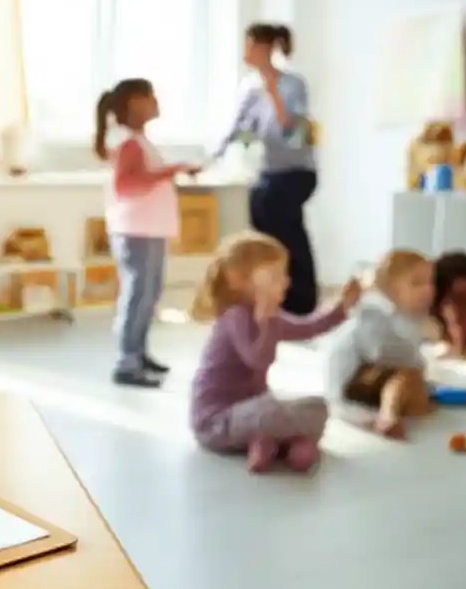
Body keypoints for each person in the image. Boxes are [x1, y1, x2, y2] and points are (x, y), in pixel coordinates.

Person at [189, 232, 360, 473]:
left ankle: (269, 441)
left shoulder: (272, 318)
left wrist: (342, 307)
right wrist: (267, 321)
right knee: (270, 411)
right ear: (238, 280)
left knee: (318, 406)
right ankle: (291, 439)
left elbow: (309, 327)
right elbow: (257, 360)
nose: (287, 282)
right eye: (276, 276)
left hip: (253, 412)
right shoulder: (235, 317)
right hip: (217, 422)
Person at [95, 78, 198, 388]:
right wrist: (173, 170)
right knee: (138, 294)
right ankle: (127, 361)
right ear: (134, 103)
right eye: (149, 96)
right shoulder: (128, 143)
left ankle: (138, 352)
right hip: (135, 231)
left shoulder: (138, 141)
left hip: (148, 230)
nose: (156, 101)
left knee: (149, 292)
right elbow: (127, 185)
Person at [214, 23, 319, 315]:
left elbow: (293, 130)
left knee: (286, 232)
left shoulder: (293, 84)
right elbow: (241, 128)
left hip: (295, 171)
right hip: (267, 172)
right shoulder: (248, 86)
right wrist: (216, 156)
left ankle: (301, 301)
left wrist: (273, 92)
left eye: (250, 45)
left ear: (266, 48)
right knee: (261, 225)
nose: (245, 52)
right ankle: (271, 296)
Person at [328, 250, 434, 438]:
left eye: (430, 282)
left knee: (419, 396)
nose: (427, 289)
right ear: (391, 290)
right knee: (408, 376)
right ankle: (387, 415)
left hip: (373, 375)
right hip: (353, 381)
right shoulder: (374, 313)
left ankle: (394, 405)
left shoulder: (410, 317)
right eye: (417, 283)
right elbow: (380, 353)